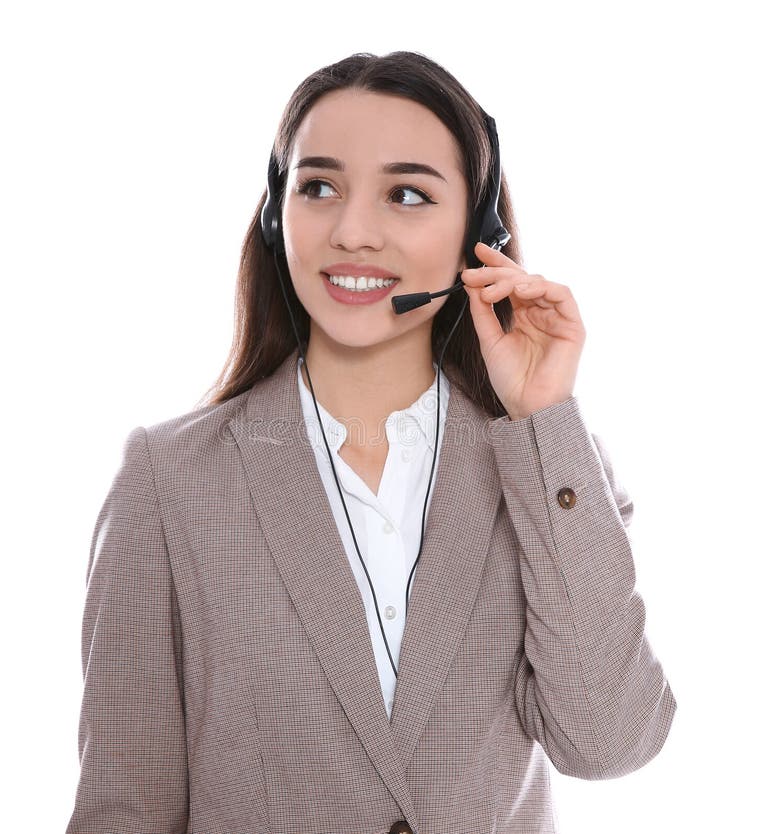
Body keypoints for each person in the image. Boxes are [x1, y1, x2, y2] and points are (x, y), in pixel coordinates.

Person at [65, 51, 677, 834]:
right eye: (318, 187)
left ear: (478, 233)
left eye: (407, 194)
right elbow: (124, 810)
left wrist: (542, 415)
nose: (353, 231)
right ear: (275, 215)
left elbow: (609, 743)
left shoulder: (549, 468)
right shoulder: (171, 478)